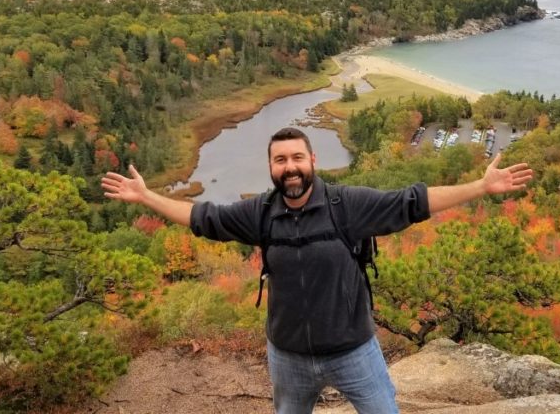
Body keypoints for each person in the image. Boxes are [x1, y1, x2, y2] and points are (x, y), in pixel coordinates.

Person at [102, 127, 533, 414]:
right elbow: (203, 217)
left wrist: (481, 186)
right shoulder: (259, 214)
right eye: (279, 161)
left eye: (296, 158)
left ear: (312, 159)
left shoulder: (348, 206)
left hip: (353, 351)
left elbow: (412, 202)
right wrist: (147, 198)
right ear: (271, 168)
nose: (289, 168)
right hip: (287, 356)